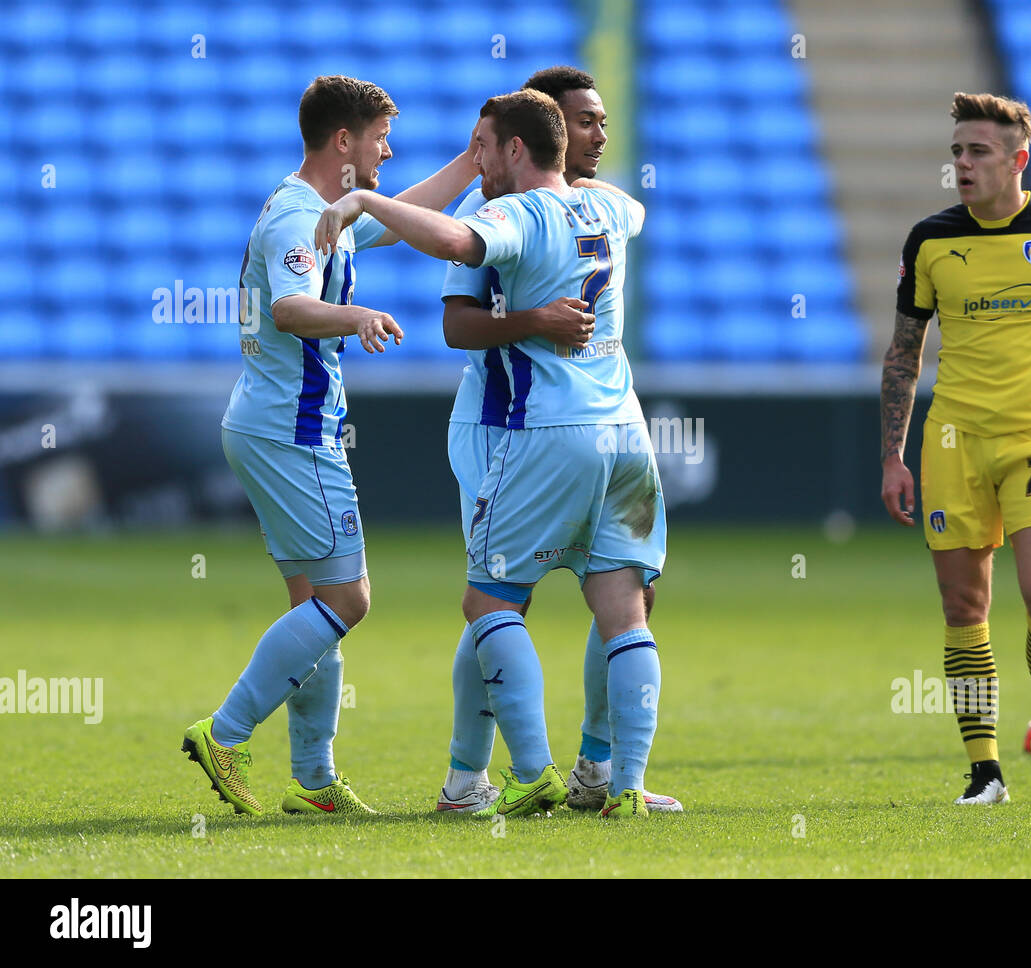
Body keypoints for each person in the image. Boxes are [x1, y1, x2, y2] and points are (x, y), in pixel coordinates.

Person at [317, 89, 665, 819]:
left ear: (513, 148)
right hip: (626, 433)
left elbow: (453, 242)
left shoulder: (513, 214)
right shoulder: (609, 210)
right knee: (626, 612)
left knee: (490, 601)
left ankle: (531, 769)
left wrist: (369, 205)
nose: (478, 159)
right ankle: (624, 788)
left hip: (542, 431)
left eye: (486, 145)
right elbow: (629, 208)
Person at [183, 75, 478, 816]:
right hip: (293, 431)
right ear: (343, 142)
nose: (388, 148)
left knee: (312, 604)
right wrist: (357, 316)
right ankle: (225, 733)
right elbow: (288, 310)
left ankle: (314, 783)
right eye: (380, 136)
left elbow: (405, 211)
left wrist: (473, 161)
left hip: (267, 423)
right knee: (348, 598)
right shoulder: (296, 216)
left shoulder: (325, 209)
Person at [435, 66, 681, 815]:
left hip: (557, 427)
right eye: (582, 122)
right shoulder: (500, 210)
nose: (598, 135)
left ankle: (593, 773)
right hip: (500, 428)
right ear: (544, 132)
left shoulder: (590, 204)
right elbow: (457, 323)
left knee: (518, 602)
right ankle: (469, 774)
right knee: (513, 602)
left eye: (604, 121)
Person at [881, 92, 1031, 805]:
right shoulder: (929, 239)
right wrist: (892, 457)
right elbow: (903, 355)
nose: (961, 163)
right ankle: (984, 770)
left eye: (977, 151)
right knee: (964, 608)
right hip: (952, 444)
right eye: (956, 150)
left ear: (1017, 161)